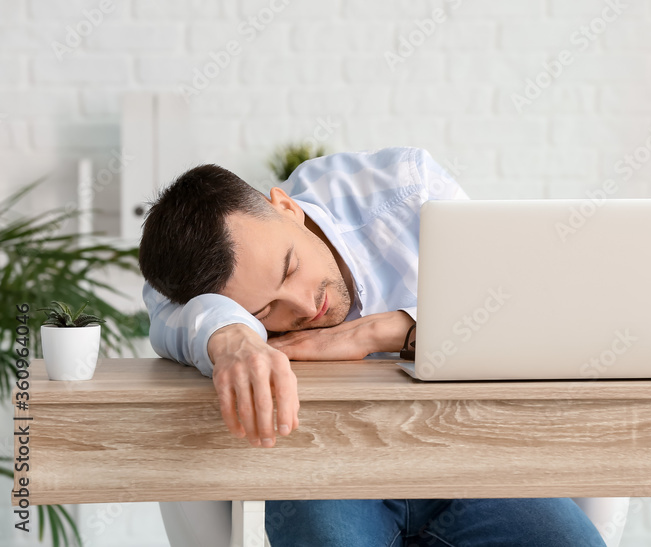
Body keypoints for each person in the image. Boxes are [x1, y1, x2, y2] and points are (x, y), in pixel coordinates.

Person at [138, 146, 606, 547]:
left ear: (286, 207)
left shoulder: (405, 189)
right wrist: (236, 337)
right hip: (322, 468)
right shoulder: (190, 291)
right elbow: (169, 312)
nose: (306, 305)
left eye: (290, 267)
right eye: (265, 312)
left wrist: (383, 332)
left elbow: (513, 311)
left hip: (464, 452)